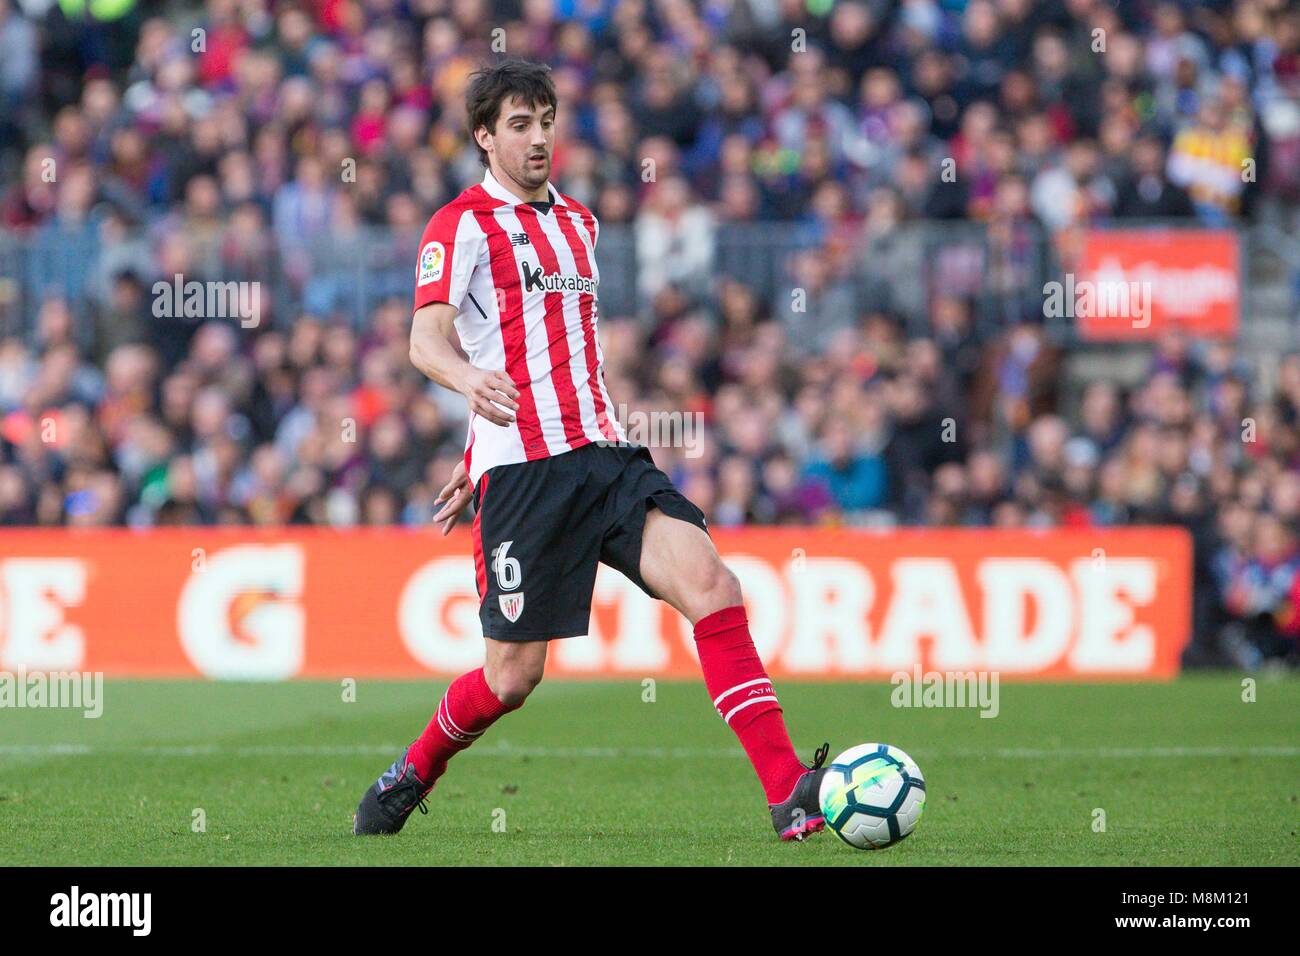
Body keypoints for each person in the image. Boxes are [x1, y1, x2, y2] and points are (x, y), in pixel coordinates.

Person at [352, 59, 829, 841]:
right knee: (512, 678)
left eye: (546, 120)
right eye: (518, 124)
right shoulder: (460, 225)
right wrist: (473, 398)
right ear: (483, 136)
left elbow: (556, 350)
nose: (539, 137)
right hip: (525, 475)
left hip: (607, 454)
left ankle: (789, 793)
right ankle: (414, 770)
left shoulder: (581, 222)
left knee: (713, 582)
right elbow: (425, 340)